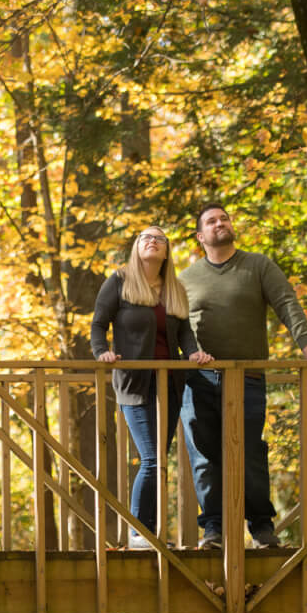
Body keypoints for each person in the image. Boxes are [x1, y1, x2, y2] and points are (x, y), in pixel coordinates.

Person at [179, 203, 307, 550]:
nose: (220, 223)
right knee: (204, 455)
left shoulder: (258, 265)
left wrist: (306, 343)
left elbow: (287, 302)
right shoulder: (186, 278)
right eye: (211, 221)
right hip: (199, 380)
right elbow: (173, 326)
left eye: (224, 218)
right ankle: (214, 529)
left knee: (249, 452)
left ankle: (261, 528)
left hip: (247, 376)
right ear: (200, 236)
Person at [91, 227, 214, 548]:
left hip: (170, 384)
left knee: (159, 458)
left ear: (166, 251)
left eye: (159, 239)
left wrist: (194, 354)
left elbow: (185, 333)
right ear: (136, 247)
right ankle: (137, 533)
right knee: (151, 458)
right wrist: (101, 352)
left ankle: (151, 532)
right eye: (146, 237)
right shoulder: (118, 281)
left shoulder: (174, 289)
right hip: (134, 382)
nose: (153, 241)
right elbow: (98, 323)